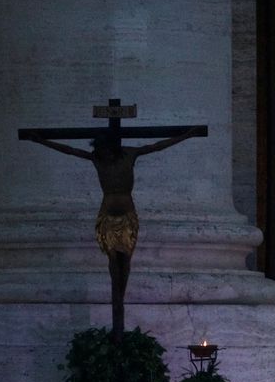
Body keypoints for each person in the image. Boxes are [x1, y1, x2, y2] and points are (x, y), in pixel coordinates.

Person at [23, 126, 203, 337]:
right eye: (101, 152)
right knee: (112, 259)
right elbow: (68, 150)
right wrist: (42, 141)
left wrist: (186, 135)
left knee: (125, 258)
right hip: (107, 214)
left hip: (127, 214)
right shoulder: (97, 159)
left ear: (112, 147)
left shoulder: (130, 154)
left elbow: (158, 146)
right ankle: (115, 297)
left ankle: (121, 296)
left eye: (106, 151)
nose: (105, 155)